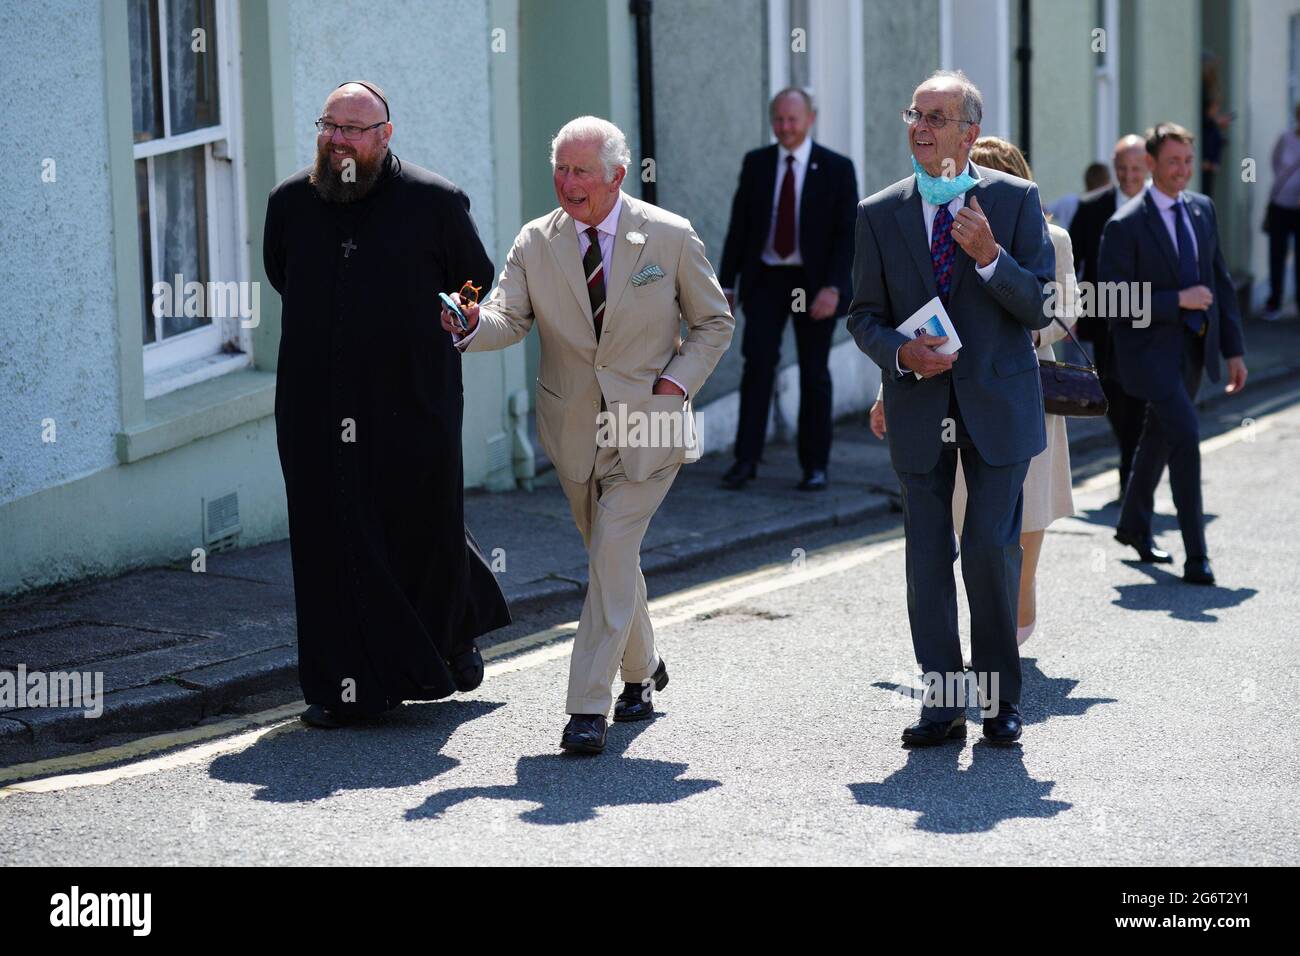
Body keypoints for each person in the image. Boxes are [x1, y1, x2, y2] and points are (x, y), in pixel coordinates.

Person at [441, 117, 734, 754]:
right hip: (572, 429)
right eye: (561, 169)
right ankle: (642, 671)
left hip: (648, 427)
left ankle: (586, 708)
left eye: (581, 171)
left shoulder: (668, 235)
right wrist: (469, 324)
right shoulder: (536, 241)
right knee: (611, 557)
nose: (568, 183)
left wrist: (674, 386)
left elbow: (714, 323)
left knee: (608, 556)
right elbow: (507, 316)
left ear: (617, 176)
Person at [263, 81, 511, 729]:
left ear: (385, 135)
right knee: (329, 536)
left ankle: (452, 633)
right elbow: (283, 274)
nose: (338, 138)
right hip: (314, 403)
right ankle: (346, 689)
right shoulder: (289, 203)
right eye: (329, 125)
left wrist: (452, 312)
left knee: (417, 525)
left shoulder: (434, 201)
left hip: (412, 398)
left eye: (353, 128)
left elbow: (473, 277)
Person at [849, 71, 1055, 748]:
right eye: (915, 113)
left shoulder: (1018, 203)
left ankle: (998, 702)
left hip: (998, 404)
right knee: (927, 557)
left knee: (988, 552)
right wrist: (903, 357)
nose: (921, 125)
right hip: (918, 404)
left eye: (937, 116)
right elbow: (865, 316)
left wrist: (990, 256)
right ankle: (943, 704)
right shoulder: (879, 212)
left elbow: (1042, 306)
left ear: (969, 132)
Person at [870, 135, 1076, 649]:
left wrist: (1012, 328)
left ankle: (1012, 624)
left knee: (1019, 523)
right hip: (940, 396)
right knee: (960, 533)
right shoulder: (923, 227)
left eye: (983, 173)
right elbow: (906, 318)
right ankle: (956, 667)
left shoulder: (1051, 235)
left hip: (1017, 391)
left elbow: (1060, 311)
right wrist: (887, 384)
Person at [1099, 122, 1248, 585]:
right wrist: (1175, 299)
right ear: (1151, 164)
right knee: (1185, 435)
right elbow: (1110, 299)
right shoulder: (1125, 225)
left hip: (1193, 349)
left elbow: (1219, 280)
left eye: (1188, 160)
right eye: (1172, 162)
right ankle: (1197, 556)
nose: (1183, 170)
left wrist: (1234, 351)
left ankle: (1132, 525)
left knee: (1159, 436)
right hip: (1148, 354)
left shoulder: (1202, 210)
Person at [717, 88, 858, 492]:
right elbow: (739, 228)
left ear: (810, 119)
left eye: (792, 119)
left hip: (814, 284)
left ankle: (815, 466)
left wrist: (834, 287)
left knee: (814, 373)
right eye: (778, 119)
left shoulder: (836, 168)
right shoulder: (757, 164)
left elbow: (846, 235)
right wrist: (727, 283)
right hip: (766, 280)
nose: (785, 127)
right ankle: (746, 461)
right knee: (757, 366)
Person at [1070, 134, 1150, 500]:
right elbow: (1070, 261)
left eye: (1135, 169)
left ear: (1148, 167)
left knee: (1144, 400)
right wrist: (1068, 308)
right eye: (1122, 169)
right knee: (1114, 398)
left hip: (1155, 322)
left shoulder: (1162, 206)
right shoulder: (1092, 207)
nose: (1129, 176)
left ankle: (1131, 478)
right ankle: (1130, 466)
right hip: (1106, 320)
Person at [1263, 103, 1300, 321]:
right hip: (1279, 204)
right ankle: (1274, 302)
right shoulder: (1285, 138)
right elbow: (1276, 163)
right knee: (1276, 254)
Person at [1045, 161, 1110, 231]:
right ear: (1107, 183)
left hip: (1067, 240)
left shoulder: (1068, 201)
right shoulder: (1106, 208)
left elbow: (1042, 210)